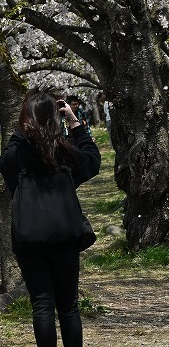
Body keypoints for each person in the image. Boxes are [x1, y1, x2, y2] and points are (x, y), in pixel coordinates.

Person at [0, 88, 101, 347]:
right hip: (65, 235)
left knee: (42, 305)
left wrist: (24, 126)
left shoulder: (17, 155)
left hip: (29, 237)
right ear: (56, 118)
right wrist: (74, 122)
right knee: (69, 306)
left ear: (26, 119)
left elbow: (7, 165)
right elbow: (92, 159)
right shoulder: (65, 153)